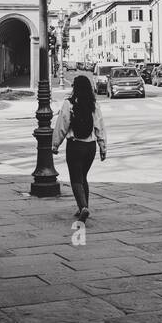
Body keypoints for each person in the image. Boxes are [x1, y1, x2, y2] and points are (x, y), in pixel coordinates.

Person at [52, 72, 106, 222]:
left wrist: (55, 144)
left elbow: (62, 126)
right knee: (83, 177)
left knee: (76, 178)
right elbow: (99, 127)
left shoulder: (69, 104)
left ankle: (83, 208)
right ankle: (84, 206)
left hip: (75, 146)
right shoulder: (94, 105)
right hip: (90, 147)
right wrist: (103, 147)